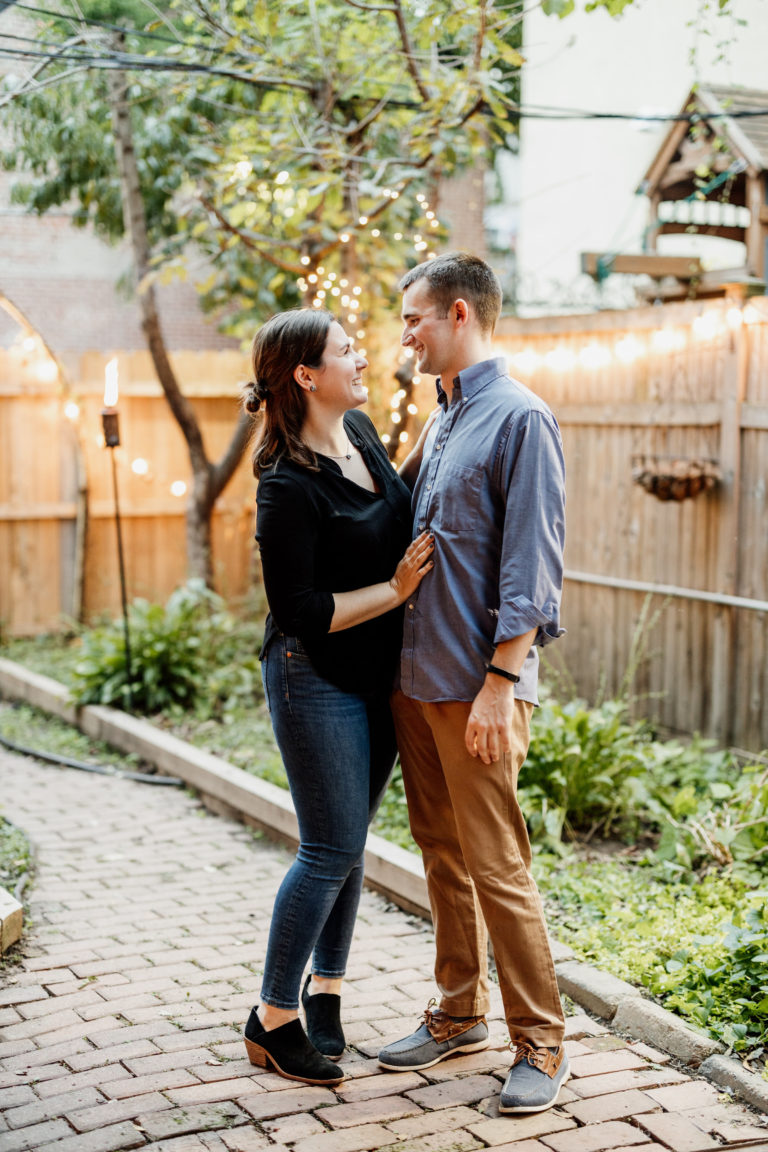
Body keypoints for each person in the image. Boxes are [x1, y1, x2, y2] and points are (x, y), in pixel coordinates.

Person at [377, 253, 569, 1115]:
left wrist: (500, 683)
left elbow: (533, 568)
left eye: (413, 318)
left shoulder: (521, 418)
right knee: (440, 852)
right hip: (416, 680)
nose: (405, 336)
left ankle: (542, 1042)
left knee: (498, 864)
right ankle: (460, 1011)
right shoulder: (442, 418)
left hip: (477, 684)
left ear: (459, 314)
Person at [240, 308, 434, 1088]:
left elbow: (397, 500)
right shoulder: (286, 485)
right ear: (305, 375)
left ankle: (326, 991)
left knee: (349, 841)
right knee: (328, 847)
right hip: (312, 672)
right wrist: (394, 591)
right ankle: (271, 1018)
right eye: (346, 351)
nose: (362, 359)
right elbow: (300, 610)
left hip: (375, 671)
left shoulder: (359, 433)